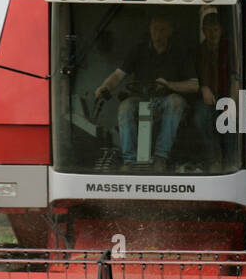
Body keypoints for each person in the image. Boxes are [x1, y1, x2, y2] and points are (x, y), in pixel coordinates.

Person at [95, 14, 197, 171]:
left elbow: (194, 85)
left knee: (176, 101)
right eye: (155, 29)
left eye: (163, 29)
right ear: (149, 30)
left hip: (166, 101)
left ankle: (160, 157)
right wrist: (105, 87)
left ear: (170, 31)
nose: (158, 33)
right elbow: (118, 75)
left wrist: (168, 84)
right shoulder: (138, 50)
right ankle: (129, 160)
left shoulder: (180, 52)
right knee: (125, 106)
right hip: (141, 99)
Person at [193, 10, 237, 171]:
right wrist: (203, 88)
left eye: (215, 29)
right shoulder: (198, 51)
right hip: (207, 99)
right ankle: (214, 160)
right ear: (203, 31)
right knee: (200, 118)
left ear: (222, 30)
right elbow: (194, 79)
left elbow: (235, 77)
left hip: (229, 95)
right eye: (208, 30)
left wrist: (230, 101)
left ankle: (231, 161)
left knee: (230, 117)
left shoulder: (231, 48)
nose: (212, 33)